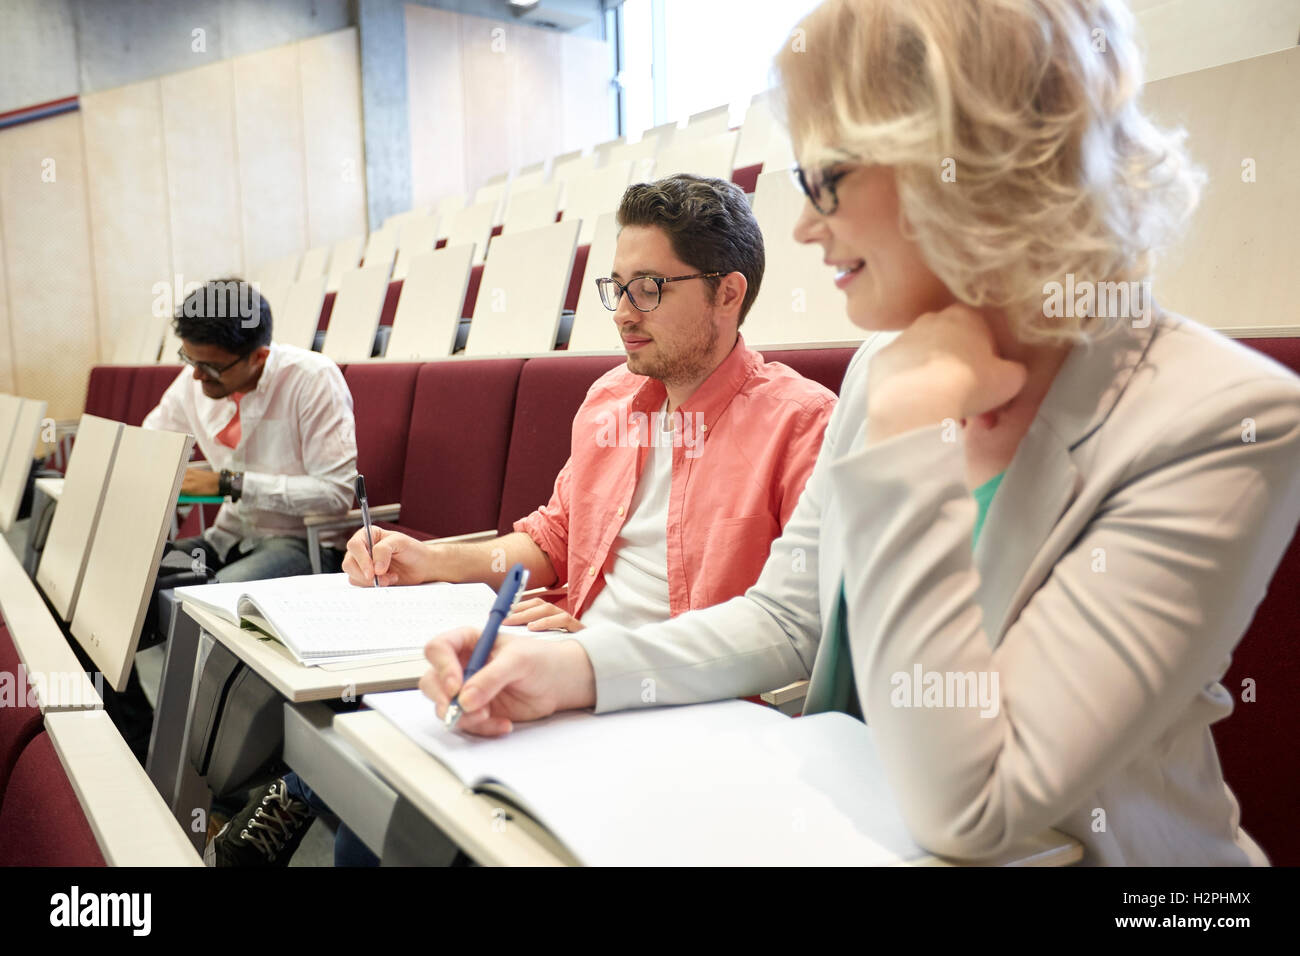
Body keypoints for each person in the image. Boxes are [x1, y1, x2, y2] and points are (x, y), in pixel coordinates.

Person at [419, 0, 1300, 866]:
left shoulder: (1223, 421)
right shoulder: (887, 365)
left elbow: (975, 807)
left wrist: (912, 438)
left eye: (826, 180)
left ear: (964, 161)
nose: (803, 226)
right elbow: (785, 619)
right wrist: (566, 671)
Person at [210, 175, 838, 866]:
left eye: (650, 288)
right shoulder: (610, 400)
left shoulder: (802, 423)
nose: (623, 313)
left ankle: (307, 790)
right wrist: (433, 561)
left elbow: (785, 625)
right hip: (565, 658)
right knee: (389, 793)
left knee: (395, 822)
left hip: (683, 699)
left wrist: (598, 644)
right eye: (616, 286)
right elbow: (555, 536)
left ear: (728, 293)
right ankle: (312, 785)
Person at [144, 278, 357, 581]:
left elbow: (335, 494)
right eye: (189, 359)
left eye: (211, 367)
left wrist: (230, 484)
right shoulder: (198, 374)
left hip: (302, 544)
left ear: (259, 357)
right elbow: (150, 442)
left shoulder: (313, 379)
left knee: (212, 597)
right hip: (228, 539)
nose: (196, 375)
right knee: (139, 571)